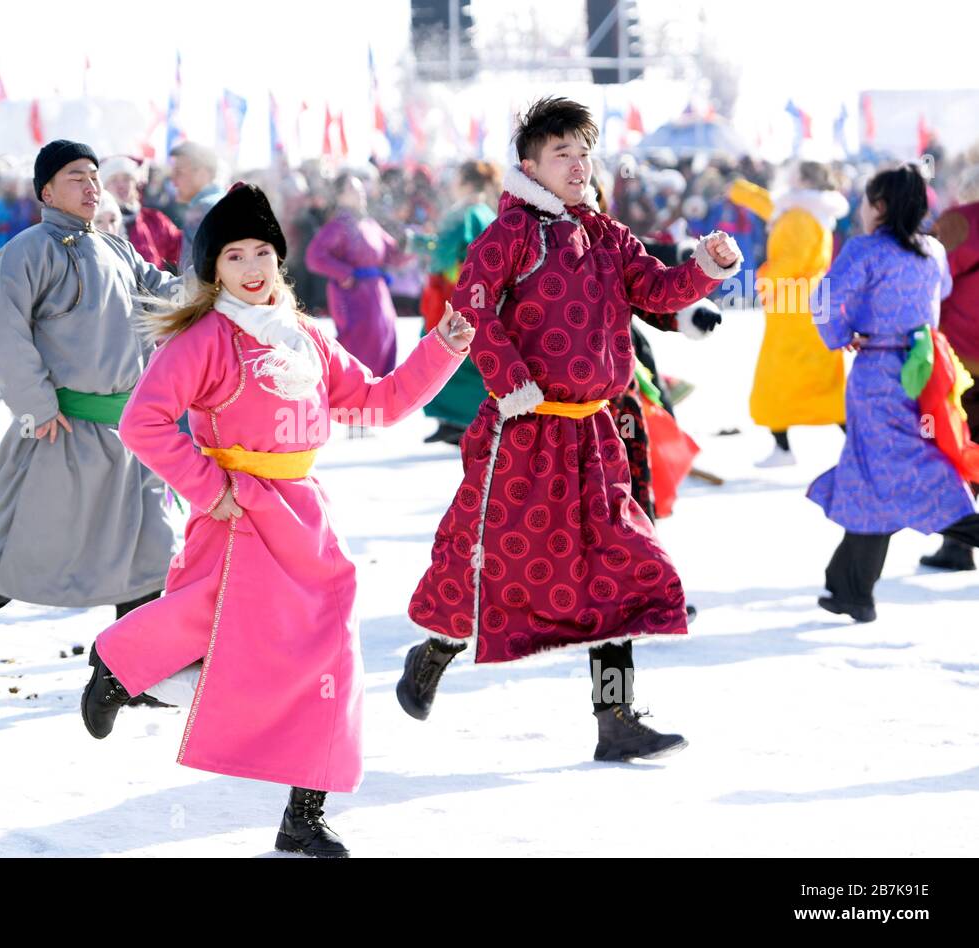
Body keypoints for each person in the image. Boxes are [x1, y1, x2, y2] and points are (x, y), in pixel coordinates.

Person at [80, 182, 472, 857]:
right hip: (237, 514)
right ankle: (117, 663)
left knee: (330, 656)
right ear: (214, 271)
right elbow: (142, 421)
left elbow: (377, 404)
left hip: (305, 517)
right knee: (213, 618)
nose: (253, 268)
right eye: (235, 257)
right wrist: (211, 487)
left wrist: (443, 347)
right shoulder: (204, 338)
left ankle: (304, 815)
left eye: (263, 251)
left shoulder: (306, 338)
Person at [403, 97, 741, 761]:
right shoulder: (510, 235)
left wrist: (705, 267)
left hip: (595, 436)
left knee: (618, 572)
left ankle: (616, 717)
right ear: (530, 165)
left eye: (585, 151)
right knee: (489, 562)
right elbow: (471, 310)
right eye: (563, 153)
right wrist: (512, 383)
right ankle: (434, 651)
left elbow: (659, 291)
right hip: (523, 434)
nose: (579, 164)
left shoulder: (609, 235)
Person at [0, 140, 179, 692]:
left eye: (95, 177)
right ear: (46, 190)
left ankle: (123, 672)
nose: (92, 186)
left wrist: (220, 283)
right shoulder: (28, 249)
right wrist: (36, 405)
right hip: (60, 425)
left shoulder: (118, 249)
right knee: (37, 543)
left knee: (147, 550)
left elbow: (166, 295)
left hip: (129, 429)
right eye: (77, 177)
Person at [808, 164, 979, 622]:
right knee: (872, 472)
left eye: (867, 201)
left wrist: (842, 332)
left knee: (902, 466)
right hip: (924, 368)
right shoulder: (933, 251)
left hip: (878, 372)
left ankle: (856, 587)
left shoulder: (865, 249)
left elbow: (822, 299)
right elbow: (939, 292)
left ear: (879, 206)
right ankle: (850, 589)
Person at [730, 162, 848, 466]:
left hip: (795, 304)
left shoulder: (797, 214)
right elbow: (770, 205)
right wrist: (740, 190)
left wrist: (763, 277)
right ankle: (853, 440)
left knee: (777, 376)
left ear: (803, 179)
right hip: (808, 301)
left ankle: (783, 447)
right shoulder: (805, 208)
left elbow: (792, 260)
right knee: (821, 376)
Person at [920, 166, 979, 571]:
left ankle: (958, 545)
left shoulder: (960, 220)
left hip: (964, 353)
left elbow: (934, 278)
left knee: (958, 445)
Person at [419, 159, 501, 445]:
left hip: (452, 295)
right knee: (474, 359)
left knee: (443, 354)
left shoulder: (462, 214)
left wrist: (423, 248)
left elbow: (442, 255)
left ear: (465, 183)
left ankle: (454, 420)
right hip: (482, 298)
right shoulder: (489, 213)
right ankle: (475, 419)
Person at [303, 172, 407, 378]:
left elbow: (392, 255)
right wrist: (344, 273)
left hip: (378, 295)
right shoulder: (338, 226)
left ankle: (379, 400)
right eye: (352, 189)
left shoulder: (369, 224)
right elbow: (314, 257)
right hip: (353, 296)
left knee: (384, 340)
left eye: (360, 188)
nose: (359, 192)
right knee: (359, 346)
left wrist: (414, 245)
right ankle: (351, 398)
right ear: (339, 196)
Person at [101, 154, 181, 271]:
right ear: (104, 187)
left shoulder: (154, 219)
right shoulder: (95, 221)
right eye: (113, 180)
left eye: (127, 178)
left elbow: (183, 250)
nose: (121, 185)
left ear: (136, 184)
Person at [169, 141, 223, 274]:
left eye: (179, 172)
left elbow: (196, 277)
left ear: (202, 174)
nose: (173, 181)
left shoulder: (202, 210)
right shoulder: (225, 201)